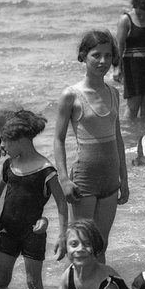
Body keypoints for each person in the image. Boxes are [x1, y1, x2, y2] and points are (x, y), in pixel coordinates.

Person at [53, 30, 129, 251]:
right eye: (96, 55)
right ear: (83, 56)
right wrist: (64, 179)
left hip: (110, 180)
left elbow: (118, 139)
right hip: (84, 179)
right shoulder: (72, 95)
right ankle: (71, 286)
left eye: (107, 55)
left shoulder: (113, 93)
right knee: (80, 245)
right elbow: (58, 140)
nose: (103, 61)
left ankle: (101, 286)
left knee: (100, 246)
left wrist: (124, 180)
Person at [0, 109, 69, 289]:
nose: (3, 146)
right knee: (1, 281)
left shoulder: (46, 170)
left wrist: (63, 235)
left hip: (33, 234)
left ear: (20, 140)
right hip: (7, 231)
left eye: (5, 141)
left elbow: (62, 203)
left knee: (33, 284)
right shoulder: (9, 165)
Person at [39, 219, 131, 289]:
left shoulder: (107, 284)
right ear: (65, 248)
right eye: (74, 244)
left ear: (96, 248)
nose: (80, 249)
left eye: (87, 244)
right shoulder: (68, 275)